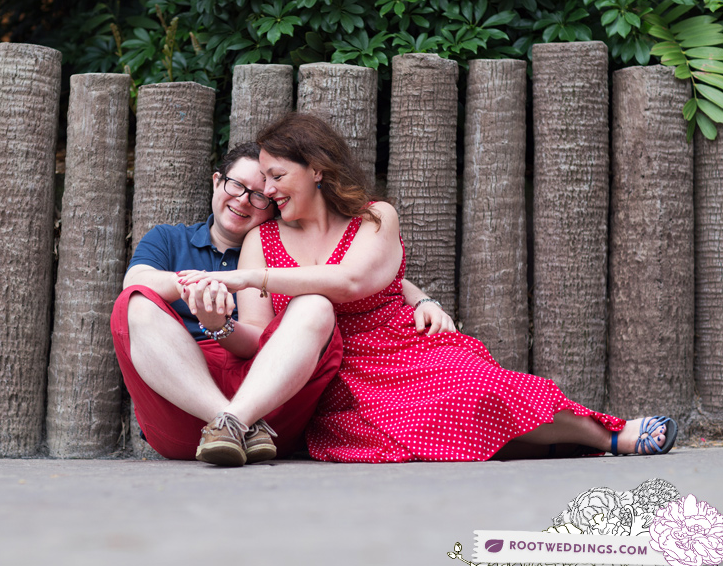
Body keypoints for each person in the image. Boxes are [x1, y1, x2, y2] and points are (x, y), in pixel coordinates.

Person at [177, 113, 679, 463]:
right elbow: (261, 341)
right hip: (335, 373)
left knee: (481, 391)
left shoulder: (376, 217)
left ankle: (611, 436)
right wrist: (221, 328)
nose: (266, 189)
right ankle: (563, 447)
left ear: (318, 171)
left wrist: (248, 278)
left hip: (404, 348)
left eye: (276, 175)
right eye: (263, 177)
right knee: (411, 429)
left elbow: (352, 280)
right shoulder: (261, 242)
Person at [111, 142, 444, 466]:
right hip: (183, 396)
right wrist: (200, 286)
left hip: (269, 398)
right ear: (217, 181)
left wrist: (420, 298)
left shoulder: (279, 243)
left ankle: (236, 420)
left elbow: (360, 274)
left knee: (315, 303)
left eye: (258, 195)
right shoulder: (170, 239)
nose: (243, 200)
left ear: (273, 202)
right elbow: (136, 280)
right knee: (135, 303)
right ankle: (233, 422)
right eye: (237, 185)